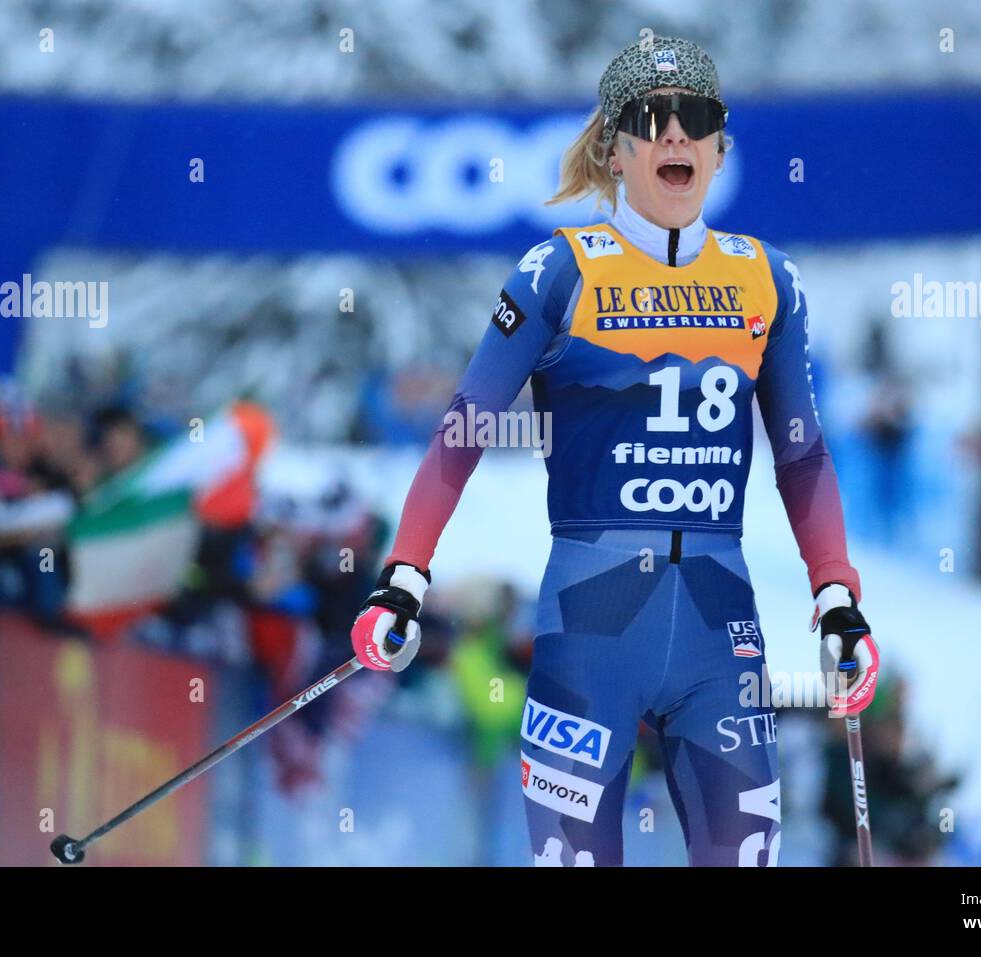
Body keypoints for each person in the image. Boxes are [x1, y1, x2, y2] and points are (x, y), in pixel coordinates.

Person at [350, 35, 880, 867]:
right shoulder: (559, 269)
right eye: (651, 118)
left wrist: (836, 598)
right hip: (590, 624)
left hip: (718, 625)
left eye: (695, 118)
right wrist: (405, 575)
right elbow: (462, 431)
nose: (675, 136)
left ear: (719, 144)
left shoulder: (768, 278)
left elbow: (803, 454)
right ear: (615, 145)